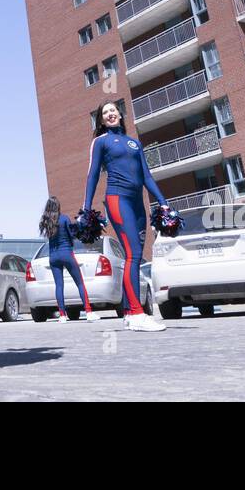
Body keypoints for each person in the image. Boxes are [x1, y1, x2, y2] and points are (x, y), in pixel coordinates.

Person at [83, 102, 167, 331]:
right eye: (105, 112)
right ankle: (139, 315)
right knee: (133, 253)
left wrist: (164, 203)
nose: (110, 114)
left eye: (113, 110)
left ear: (120, 115)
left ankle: (129, 312)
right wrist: (86, 207)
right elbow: (92, 175)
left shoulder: (135, 143)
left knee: (136, 257)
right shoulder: (100, 142)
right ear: (101, 120)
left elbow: (147, 177)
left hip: (137, 203)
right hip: (117, 199)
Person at [38, 197, 98, 323]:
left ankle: (62, 315)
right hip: (66, 254)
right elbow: (71, 236)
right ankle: (88, 312)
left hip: (53, 257)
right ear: (58, 206)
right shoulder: (64, 219)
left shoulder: (46, 222)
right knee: (80, 283)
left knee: (59, 285)